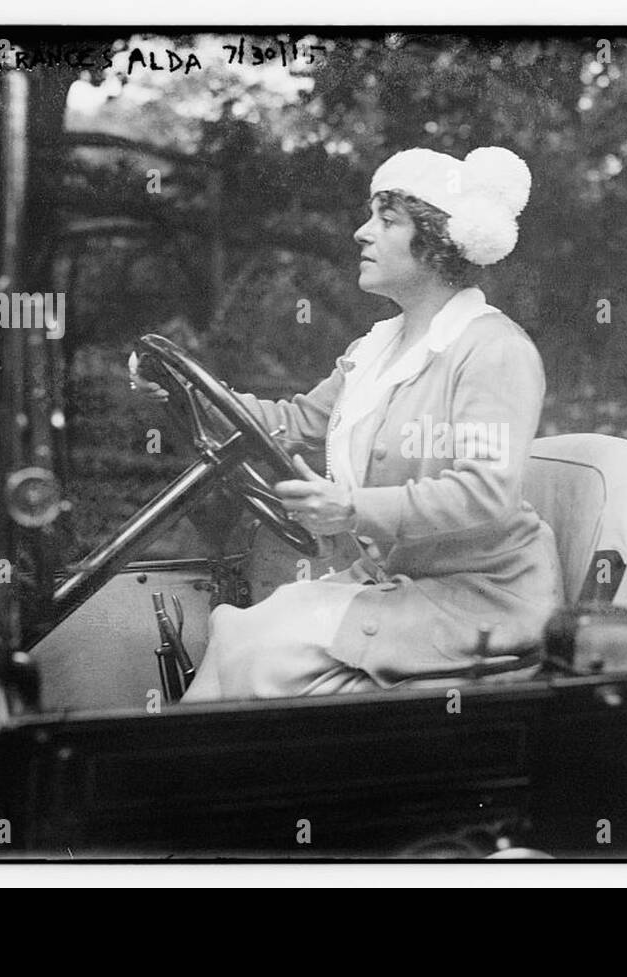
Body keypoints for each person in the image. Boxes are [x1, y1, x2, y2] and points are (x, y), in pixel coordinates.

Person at [130, 146, 562, 699]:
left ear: (435, 243)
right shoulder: (378, 348)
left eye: (387, 221)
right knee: (236, 626)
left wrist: (352, 508)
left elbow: (487, 493)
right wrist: (182, 388)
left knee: (256, 645)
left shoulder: (491, 349)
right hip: (399, 586)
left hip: (482, 599)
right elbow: (288, 423)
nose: (362, 233)